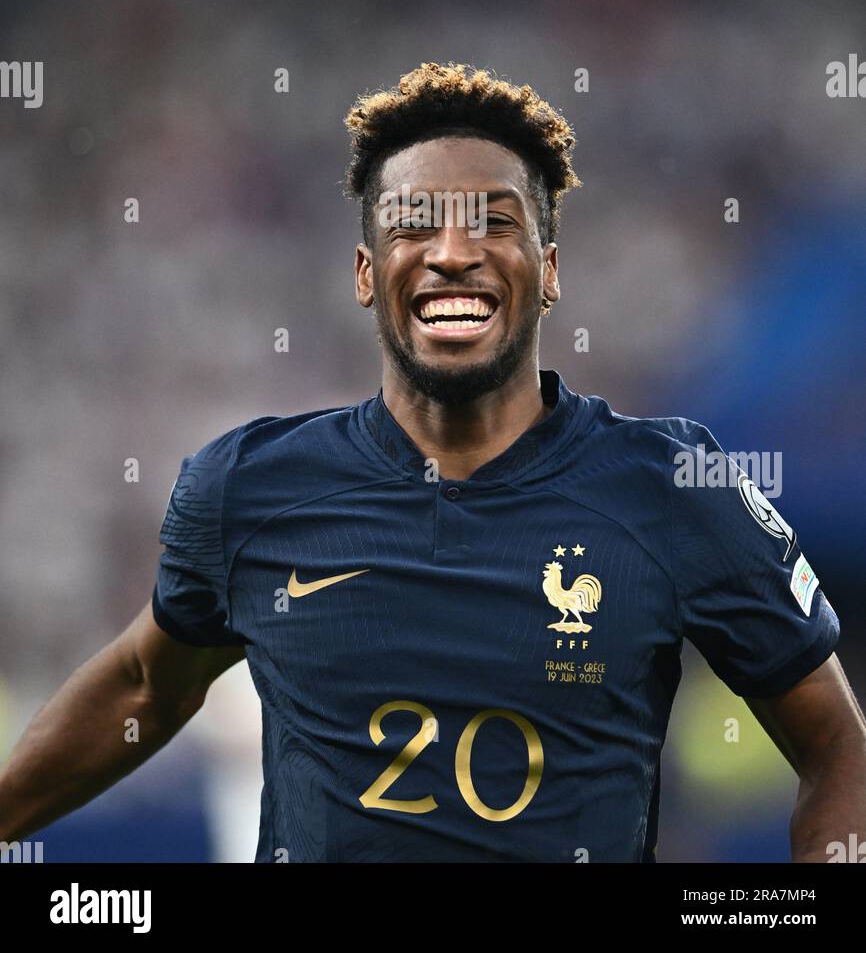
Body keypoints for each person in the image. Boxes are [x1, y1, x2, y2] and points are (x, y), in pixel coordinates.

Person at [2, 62, 864, 862]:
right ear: (367, 273)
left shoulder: (673, 489)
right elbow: (144, 685)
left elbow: (835, 747)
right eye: (414, 225)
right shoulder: (251, 487)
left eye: (496, 220)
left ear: (550, 269)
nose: (454, 252)